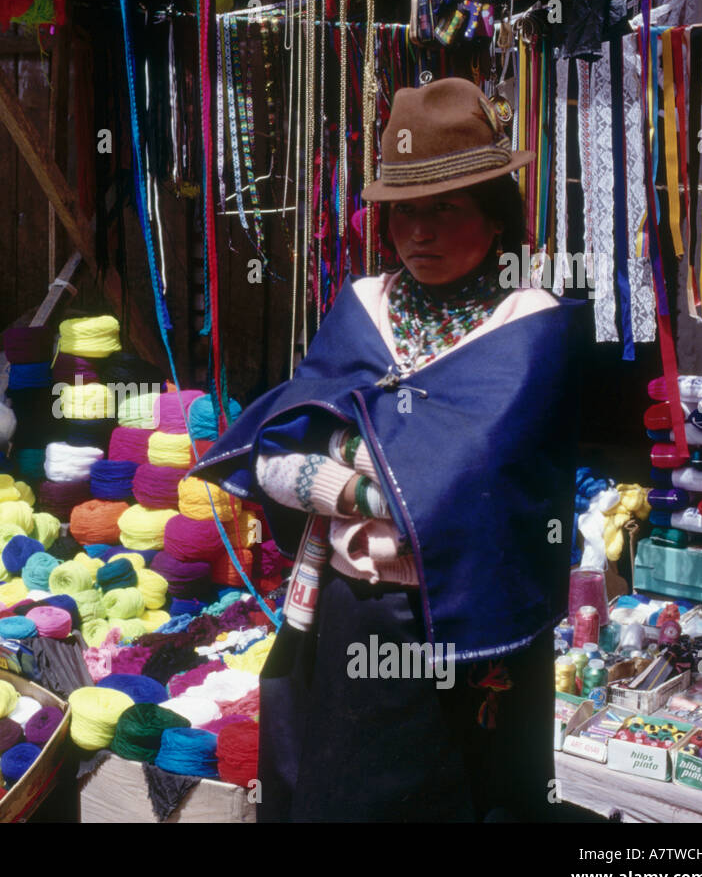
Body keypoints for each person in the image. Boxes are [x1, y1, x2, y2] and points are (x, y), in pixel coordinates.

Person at [192, 78, 591, 821]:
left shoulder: (529, 325)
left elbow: (482, 481)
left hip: (472, 637)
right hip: (352, 617)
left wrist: (355, 456)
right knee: (344, 790)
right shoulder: (364, 308)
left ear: (496, 218)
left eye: (447, 207)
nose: (421, 231)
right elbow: (278, 450)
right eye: (405, 210)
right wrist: (359, 491)